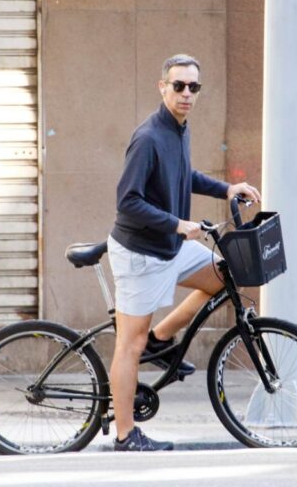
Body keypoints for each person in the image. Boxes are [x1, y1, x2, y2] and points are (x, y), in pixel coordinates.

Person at [107, 54, 260, 451]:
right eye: (179, 86)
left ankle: (162, 337)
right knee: (129, 344)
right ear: (163, 87)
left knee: (224, 273)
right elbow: (128, 201)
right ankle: (125, 434)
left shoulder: (179, 130)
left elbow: (184, 175)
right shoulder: (149, 137)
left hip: (170, 246)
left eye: (194, 87)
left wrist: (226, 189)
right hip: (140, 252)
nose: (187, 93)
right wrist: (179, 225)